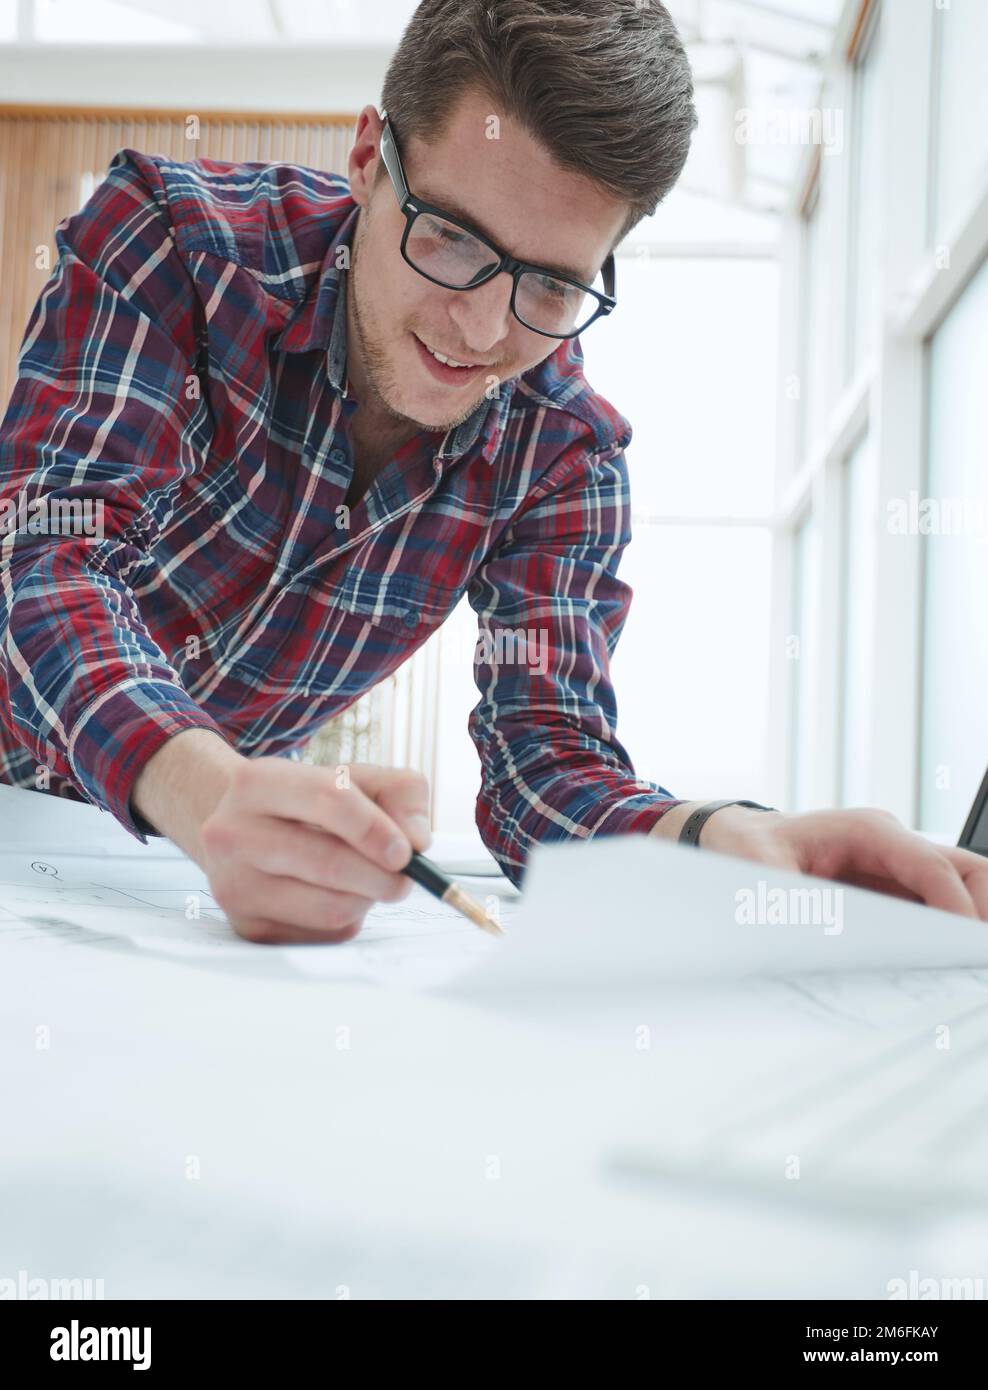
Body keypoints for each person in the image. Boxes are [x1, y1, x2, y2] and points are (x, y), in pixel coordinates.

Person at [1, 0, 985, 942]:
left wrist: (712, 838)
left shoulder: (563, 453)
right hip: (140, 806)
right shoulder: (178, 244)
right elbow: (50, 559)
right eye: (452, 237)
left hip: (141, 871)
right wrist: (208, 791)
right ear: (364, 158)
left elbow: (543, 767)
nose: (479, 329)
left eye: (552, 284)